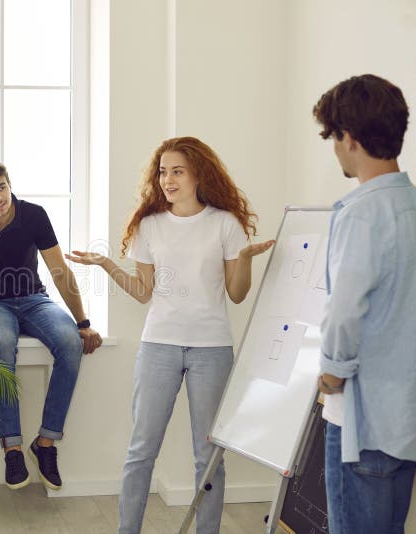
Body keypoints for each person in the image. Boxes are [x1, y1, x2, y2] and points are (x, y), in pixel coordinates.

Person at [67, 137, 273, 534]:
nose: (167, 179)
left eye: (177, 171)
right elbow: (144, 292)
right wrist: (106, 263)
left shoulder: (225, 224)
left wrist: (245, 259)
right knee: (141, 450)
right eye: (163, 172)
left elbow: (237, 293)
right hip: (158, 345)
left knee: (208, 457)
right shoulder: (149, 225)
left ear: (199, 174)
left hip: (211, 349)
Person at [313, 74, 416, 534]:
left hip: (362, 425)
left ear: (349, 138)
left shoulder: (360, 213)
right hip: (414, 419)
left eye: (333, 138)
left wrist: (330, 374)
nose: (335, 149)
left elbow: (343, 312)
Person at [0, 159, 103, 491]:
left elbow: (59, 271)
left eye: (2, 187)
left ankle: (45, 443)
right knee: (1, 343)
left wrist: (83, 322)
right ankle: (12, 449)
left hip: (33, 299)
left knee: (69, 341)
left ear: (9, 185)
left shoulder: (34, 215)